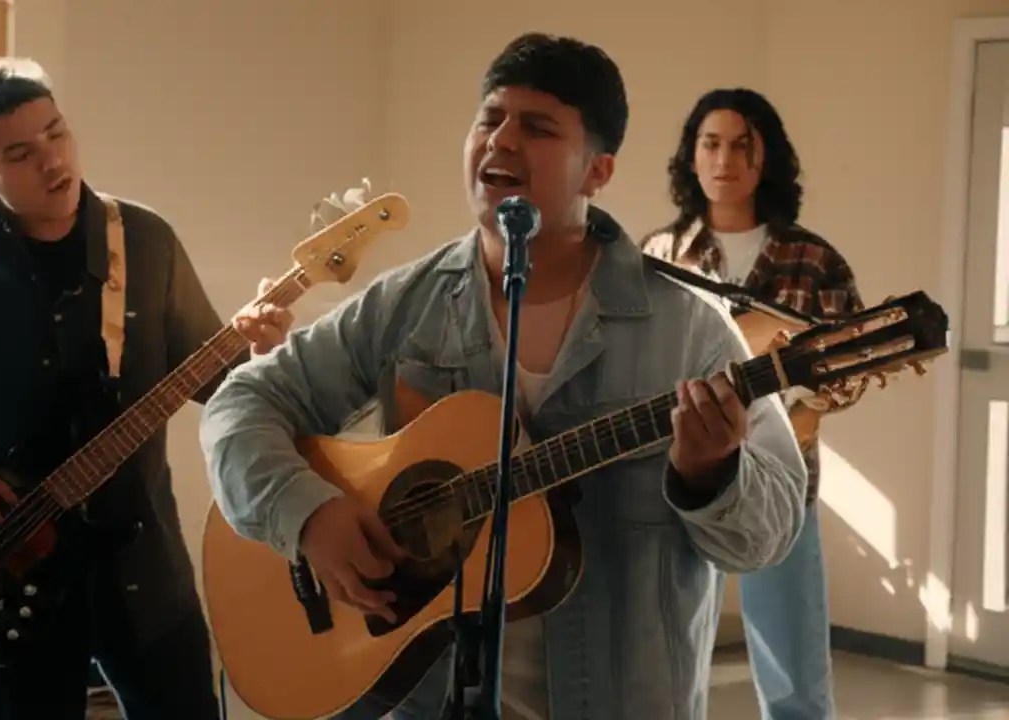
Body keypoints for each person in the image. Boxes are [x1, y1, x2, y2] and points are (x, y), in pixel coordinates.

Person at [199, 33, 808, 719]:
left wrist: (711, 476)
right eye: (490, 120)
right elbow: (240, 404)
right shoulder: (408, 304)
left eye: (538, 128)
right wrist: (306, 513)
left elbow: (769, 534)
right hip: (427, 699)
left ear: (597, 171)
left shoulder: (691, 330)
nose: (501, 143)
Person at [0, 57, 293, 719]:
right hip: (8, 559)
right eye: (22, 153)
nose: (53, 160)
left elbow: (214, 381)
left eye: (57, 133)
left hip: (140, 564)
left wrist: (259, 350)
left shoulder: (144, 239)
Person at [641, 87, 866, 720]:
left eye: (743, 144)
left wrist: (798, 415)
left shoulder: (813, 259)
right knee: (667, 653)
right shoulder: (659, 256)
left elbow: (845, 372)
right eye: (710, 143)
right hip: (678, 481)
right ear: (691, 156)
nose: (725, 159)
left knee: (792, 668)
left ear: (767, 158)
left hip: (785, 480)